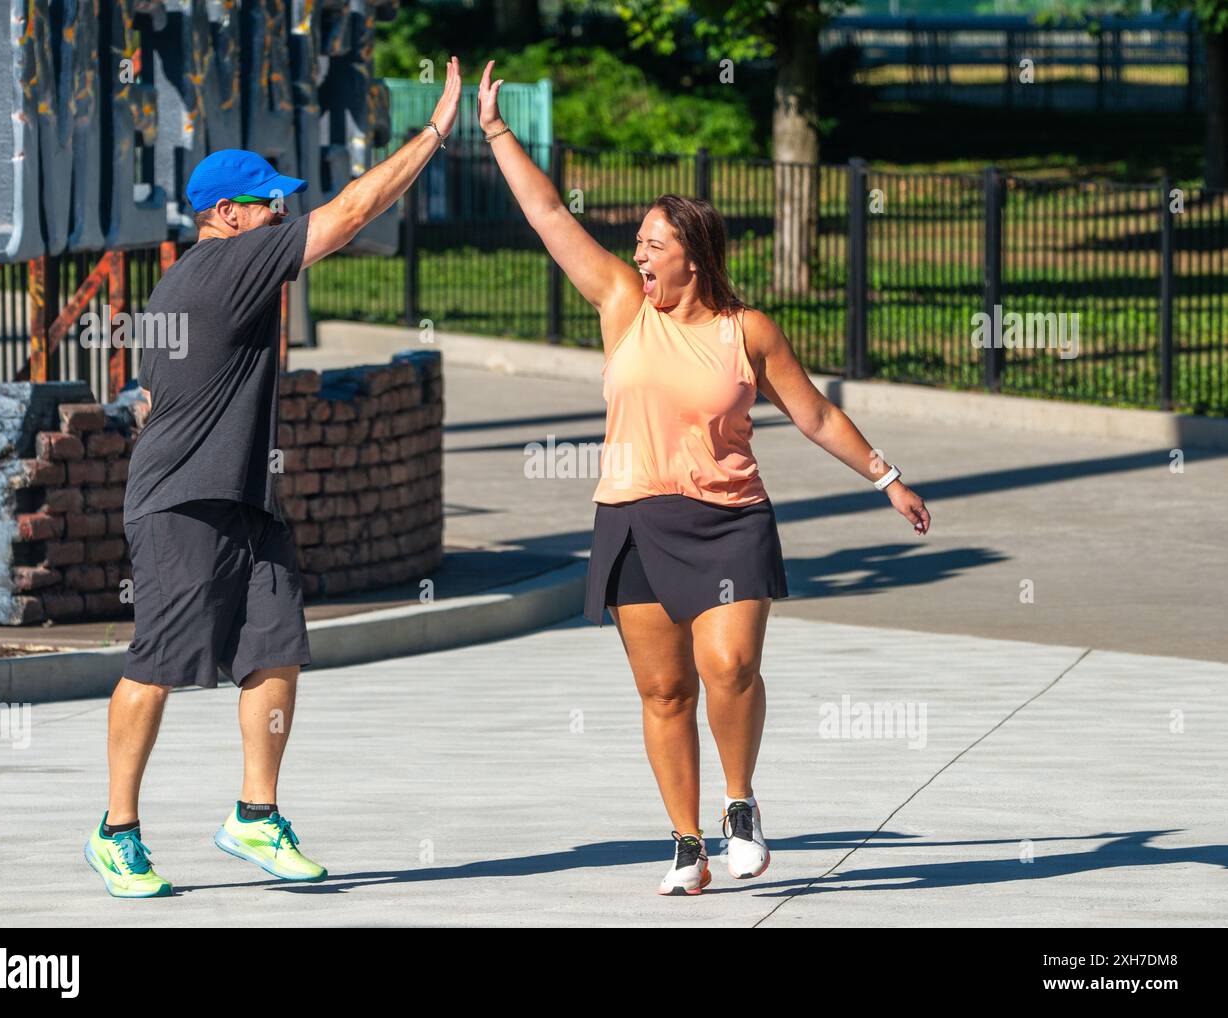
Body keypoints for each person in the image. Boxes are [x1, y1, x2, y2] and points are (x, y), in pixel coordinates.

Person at [476, 60, 931, 895]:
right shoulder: (621, 304)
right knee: (663, 689)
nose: (638, 254)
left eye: (654, 244)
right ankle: (687, 845)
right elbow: (547, 215)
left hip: (727, 519)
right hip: (634, 518)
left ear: (692, 257)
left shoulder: (745, 331)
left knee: (730, 669)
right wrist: (496, 132)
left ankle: (739, 805)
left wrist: (886, 476)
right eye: (640, 245)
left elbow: (816, 415)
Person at [83, 60, 464, 898]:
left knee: (276, 650)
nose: (282, 211)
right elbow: (357, 208)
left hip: (244, 498)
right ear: (227, 215)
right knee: (158, 663)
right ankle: (116, 831)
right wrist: (436, 131)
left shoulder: (194, 277)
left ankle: (255, 816)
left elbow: (157, 391)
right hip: (183, 504)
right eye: (268, 201)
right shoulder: (230, 264)